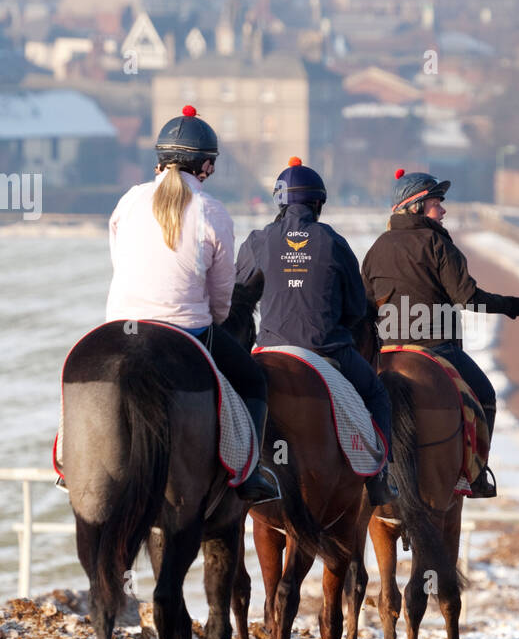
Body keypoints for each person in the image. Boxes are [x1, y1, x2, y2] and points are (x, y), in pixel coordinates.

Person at [105, 105, 277, 503]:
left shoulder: (129, 201)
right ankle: (249, 475)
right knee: (253, 380)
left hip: (119, 327)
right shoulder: (212, 211)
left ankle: (70, 462)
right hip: (186, 331)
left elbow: (120, 261)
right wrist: (213, 319)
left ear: (160, 160)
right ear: (207, 167)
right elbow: (221, 296)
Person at [361, 167, 519, 498]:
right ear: (416, 207)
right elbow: (467, 298)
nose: (443, 210)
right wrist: (507, 306)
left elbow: (365, 305)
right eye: (436, 203)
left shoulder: (376, 248)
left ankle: (370, 470)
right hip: (437, 349)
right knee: (486, 396)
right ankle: (475, 474)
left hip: (384, 353)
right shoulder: (438, 244)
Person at [232, 157, 396, 508]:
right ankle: (381, 479)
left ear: (280, 202)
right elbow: (355, 308)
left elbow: (238, 291)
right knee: (379, 394)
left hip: (269, 350)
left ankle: (230, 473)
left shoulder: (259, 240)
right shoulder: (333, 241)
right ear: (317, 203)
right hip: (326, 350)